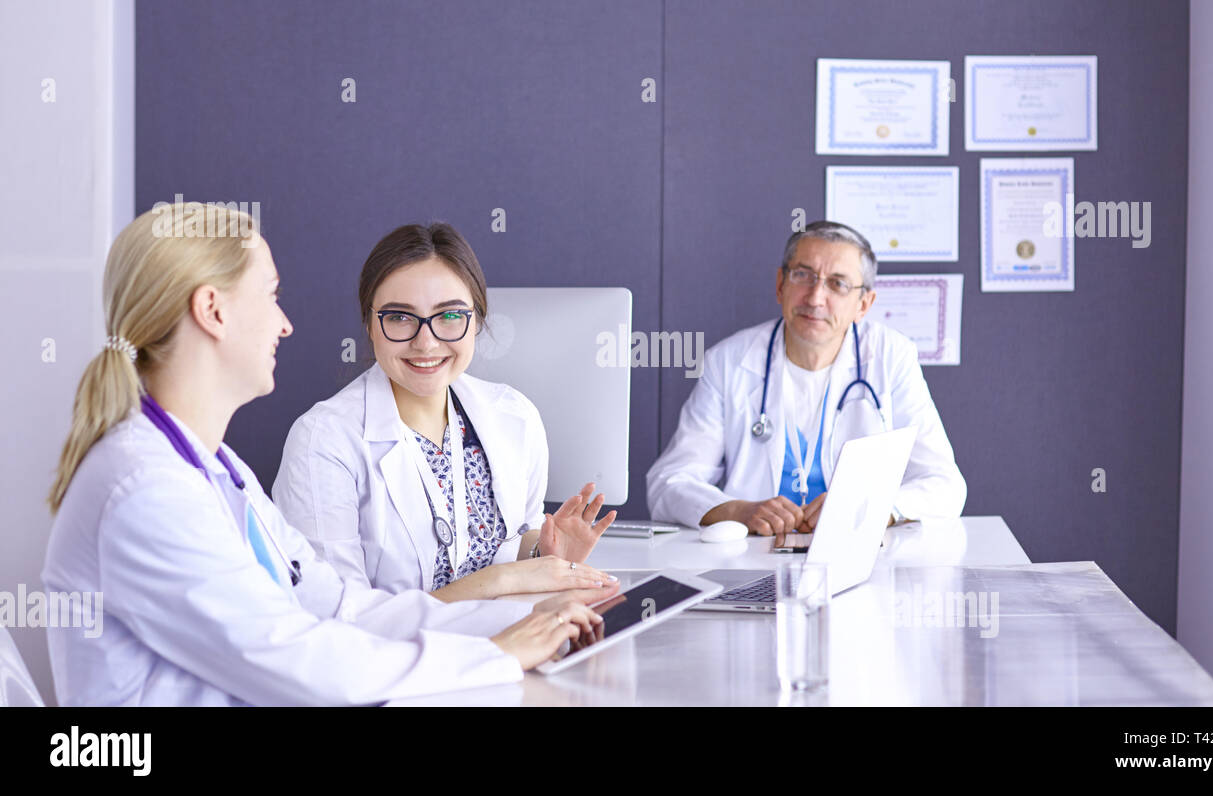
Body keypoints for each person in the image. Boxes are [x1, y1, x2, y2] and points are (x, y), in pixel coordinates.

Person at [43, 204, 610, 706]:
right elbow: (295, 661)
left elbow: (340, 609)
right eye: (270, 296)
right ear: (213, 310)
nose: (285, 324)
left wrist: (527, 619)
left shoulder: (216, 469)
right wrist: (496, 654)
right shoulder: (147, 490)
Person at [273, 222, 617, 600]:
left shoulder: (513, 415)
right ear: (370, 325)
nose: (426, 342)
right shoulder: (323, 440)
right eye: (399, 317)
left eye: (450, 316)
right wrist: (502, 581)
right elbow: (335, 615)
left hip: (516, 643)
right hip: (402, 656)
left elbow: (516, 538)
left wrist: (543, 553)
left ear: (477, 321)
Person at [646, 221, 966, 535]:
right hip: (753, 556)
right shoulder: (728, 361)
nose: (815, 298)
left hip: (858, 553)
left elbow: (944, 484)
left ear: (863, 304)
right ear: (780, 284)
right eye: (803, 275)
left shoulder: (891, 357)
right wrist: (738, 510)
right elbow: (668, 483)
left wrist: (870, 509)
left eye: (838, 283)